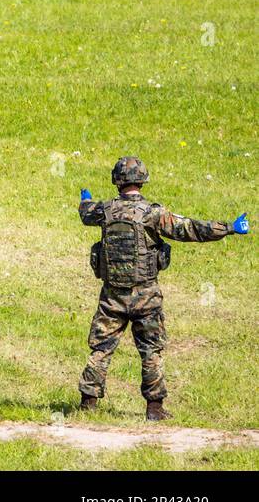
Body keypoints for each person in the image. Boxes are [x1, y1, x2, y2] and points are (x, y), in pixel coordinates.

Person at [77, 155, 248, 420]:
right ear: (143, 180)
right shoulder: (153, 214)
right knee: (151, 350)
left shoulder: (104, 210)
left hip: (112, 295)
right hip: (146, 296)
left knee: (101, 348)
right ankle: (154, 410)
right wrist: (228, 228)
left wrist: (85, 199)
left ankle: (87, 405)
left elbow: (85, 212)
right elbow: (189, 229)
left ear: (116, 181)